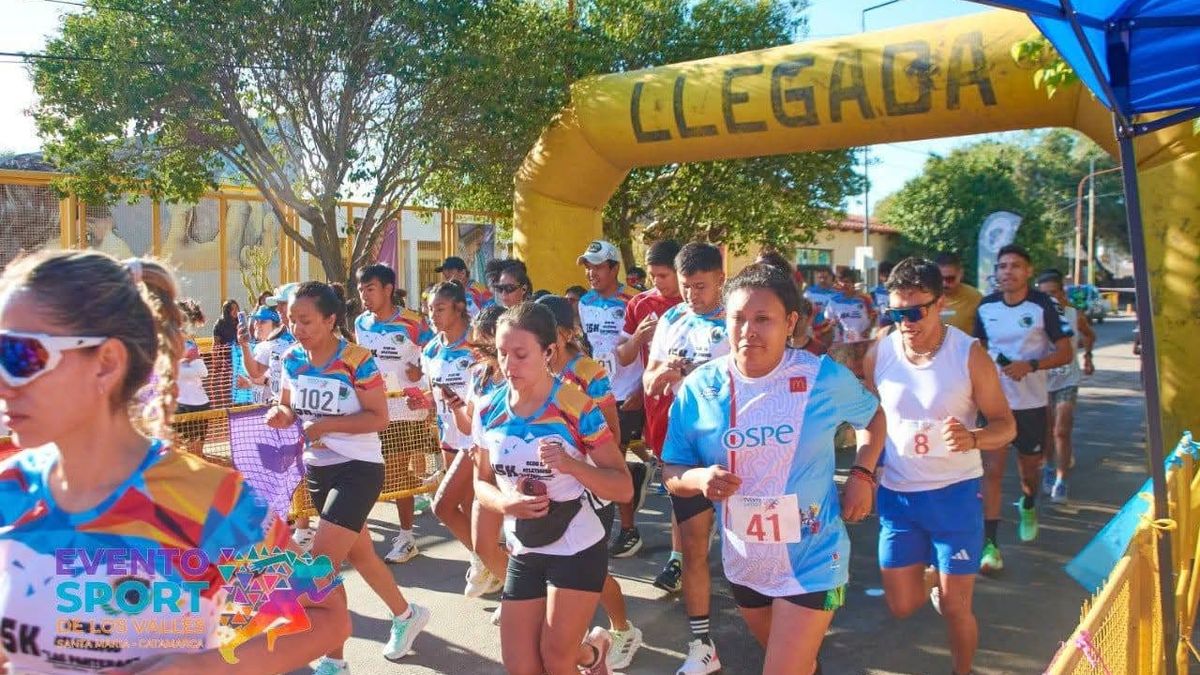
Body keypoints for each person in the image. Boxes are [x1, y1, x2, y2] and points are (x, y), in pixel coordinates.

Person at [0, 250, 347, 674]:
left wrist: (201, 668)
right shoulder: (9, 488)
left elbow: (326, 617)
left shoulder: (210, 501)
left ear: (106, 363)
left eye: (19, 356)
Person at [662, 264, 884, 675]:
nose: (749, 330)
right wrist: (699, 479)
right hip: (746, 562)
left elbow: (872, 416)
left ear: (790, 322)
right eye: (738, 318)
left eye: (763, 319)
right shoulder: (698, 388)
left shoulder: (820, 377)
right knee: (798, 664)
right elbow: (671, 469)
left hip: (816, 558)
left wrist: (862, 474)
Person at [864, 257, 1016, 675]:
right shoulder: (881, 351)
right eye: (896, 313)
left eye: (915, 313)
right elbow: (871, 417)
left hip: (955, 495)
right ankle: (931, 577)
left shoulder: (968, 354)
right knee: (901, 605)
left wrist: (974, 438)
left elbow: (1006, 425)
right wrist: (866, 467)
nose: (905, 323)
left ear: (940, 304)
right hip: (898, 497)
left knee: (955, 607)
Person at [269, 281, 430, 674]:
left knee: (321, 566)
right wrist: (280, 414)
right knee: (361, 555)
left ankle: (334, 659)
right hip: (317, 469)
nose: (297, 328)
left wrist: (325, 426)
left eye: (306, 320)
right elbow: (288, 407)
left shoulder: (357, 360)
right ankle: (407, 614)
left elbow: (379, 417)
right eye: (292, 320)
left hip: (359, 468)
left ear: (330, 320)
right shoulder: (291, 358)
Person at [472, 302, 633, 675]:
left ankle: (587, 653)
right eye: (502, 353)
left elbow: (623, 486)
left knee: (556, 658)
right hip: (524, 546)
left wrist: (572, 465)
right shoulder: (488, 408)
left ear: (548, 352)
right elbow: (481, 482)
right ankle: (593, 654)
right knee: (520, 666)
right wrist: (506, 503)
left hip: (576, 545)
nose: (509, 365)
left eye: (521, 354)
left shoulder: (575, 406)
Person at [643, 243, 737, 674]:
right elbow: (649, 381)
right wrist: (664, 373)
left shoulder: (738, 318)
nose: (691, 295)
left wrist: (699, 374)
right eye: (685, 287)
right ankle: (702, 645)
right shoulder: (672, 319)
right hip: (687, 446)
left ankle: (784, 633)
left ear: (720, 279)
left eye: (700, 286)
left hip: (737, 444)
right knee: (694, 546)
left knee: (753, 549)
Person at [538, 294, 644, 670]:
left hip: (590, 485)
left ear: (566, 333)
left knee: (592, 570)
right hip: (553, 484)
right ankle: (575, 642)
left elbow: (612, 431)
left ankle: (623, 629)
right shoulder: (535, 370)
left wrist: (581, 465)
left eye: (545, 332)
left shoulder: (589, 372)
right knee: (557, 566)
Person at [973, 245, 1074, 573]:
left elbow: (1066, 352)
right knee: (991, 472)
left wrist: (1030, 365)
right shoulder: (986, 306)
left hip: (1031, 404)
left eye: (1015, 266)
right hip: (994, 404)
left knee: (1029, 472)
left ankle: (1028, 503)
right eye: (1002, 266)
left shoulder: (1043, 304)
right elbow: (978, 350)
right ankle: (990, 545)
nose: (1008, 271)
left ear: (1028, 271)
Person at [418, 282, 505, 595]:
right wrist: (426, 400)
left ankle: (496, 567)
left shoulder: (479, 344)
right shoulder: (431, 349)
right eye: (430, 309)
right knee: (463, 507)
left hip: (481, 445)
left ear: (459, 308)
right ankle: (489, 563)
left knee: (453, 505)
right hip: (453, 435)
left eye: (440, 308)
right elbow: (439, 396)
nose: (433, 315)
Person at [354, 263, 439, 565]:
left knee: (396, 474)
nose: (364, 295)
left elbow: (437, 352)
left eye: (370, 289)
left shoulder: (413, 323)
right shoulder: (361, 323)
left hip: (404, 409)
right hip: (371, 409)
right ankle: (431, 485)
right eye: (361, 290)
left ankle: (406, 537)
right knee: (373, 473)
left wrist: (422, 373)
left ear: (388, 289)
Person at [615, 240, 684, 580]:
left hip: (696, 406)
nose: (657, 282)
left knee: (687, 480)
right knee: (675, 480)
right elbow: (623, 356)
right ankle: (681, 555)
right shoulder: (640, 303)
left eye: (664, 275)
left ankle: (681, 556)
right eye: (653, 275)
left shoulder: (694, 303)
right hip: (657, 405)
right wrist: (638, 338)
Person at [577, 240, 649, 560]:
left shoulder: (635, 300)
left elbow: (650, 347)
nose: (591, 273)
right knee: (601, 459)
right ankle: (634, 475)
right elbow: (591, 347)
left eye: (598, 267)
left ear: (614, 268)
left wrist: (643, 389)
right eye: (588, 267)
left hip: (628, 392)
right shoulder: (585, 302)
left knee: (612, 461)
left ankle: (629, 530)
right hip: (598, 392)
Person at [1036, 269, 1096, 505]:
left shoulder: (1073, 315)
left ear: (1062, 293)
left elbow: (1089, 335)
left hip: (1067, 381)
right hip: (1041, 383)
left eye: (1053, 293)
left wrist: (1088, 357)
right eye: (1044, 295)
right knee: (1046, 431)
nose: (1050, 299)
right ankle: (1049, 467)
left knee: (1061, 430)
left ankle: (1061, 480)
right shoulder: (1033, 318)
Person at [175, 299, 211, 455]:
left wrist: (176, 368)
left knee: (195, 456)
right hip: (178, 406)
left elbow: (203, 372)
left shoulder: (190, 345)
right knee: (177, 457)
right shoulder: (165, 344)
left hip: (197, 406)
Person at [824, 266, 876, 343]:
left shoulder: (865, 298)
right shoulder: (834, 300)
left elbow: (874, 316)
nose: (844, 284)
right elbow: (828, 320)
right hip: (843, 342)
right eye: (841, 282)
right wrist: (834, 326)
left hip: (863, 341)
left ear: (853, 283)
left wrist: (868, 330)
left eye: (847, 281)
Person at [936, 252, 984, 336]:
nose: (944, 284)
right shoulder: (926, 296)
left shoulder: (975, 297)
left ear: (960, 274)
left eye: (950, 279)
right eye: (939, 279)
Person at [211, 299, 241, 408]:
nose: (235, 311)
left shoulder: (240, 322)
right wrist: (216, 359)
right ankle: (228, 407)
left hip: (240, 357)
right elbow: (216, 344)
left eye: (237, 308)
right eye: (232, 309)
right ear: (227, 311)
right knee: (227, 385)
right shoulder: (220, 324)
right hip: (227, 359)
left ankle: (241, 406)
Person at [803, 266, 838, 349]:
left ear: (831, 277)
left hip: (832, 332)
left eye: (825, 278)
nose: (822, 280)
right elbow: (804, 311)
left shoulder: (837, 294)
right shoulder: (809, 293)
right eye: (820, 278)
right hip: (814, 331)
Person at [873, 260, 895, 327]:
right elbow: (877, 311)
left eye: (887, 276)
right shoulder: (877, 291)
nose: (885, 279)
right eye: (882, 276)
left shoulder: (899, 290)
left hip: (896, 324)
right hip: (883, 325)